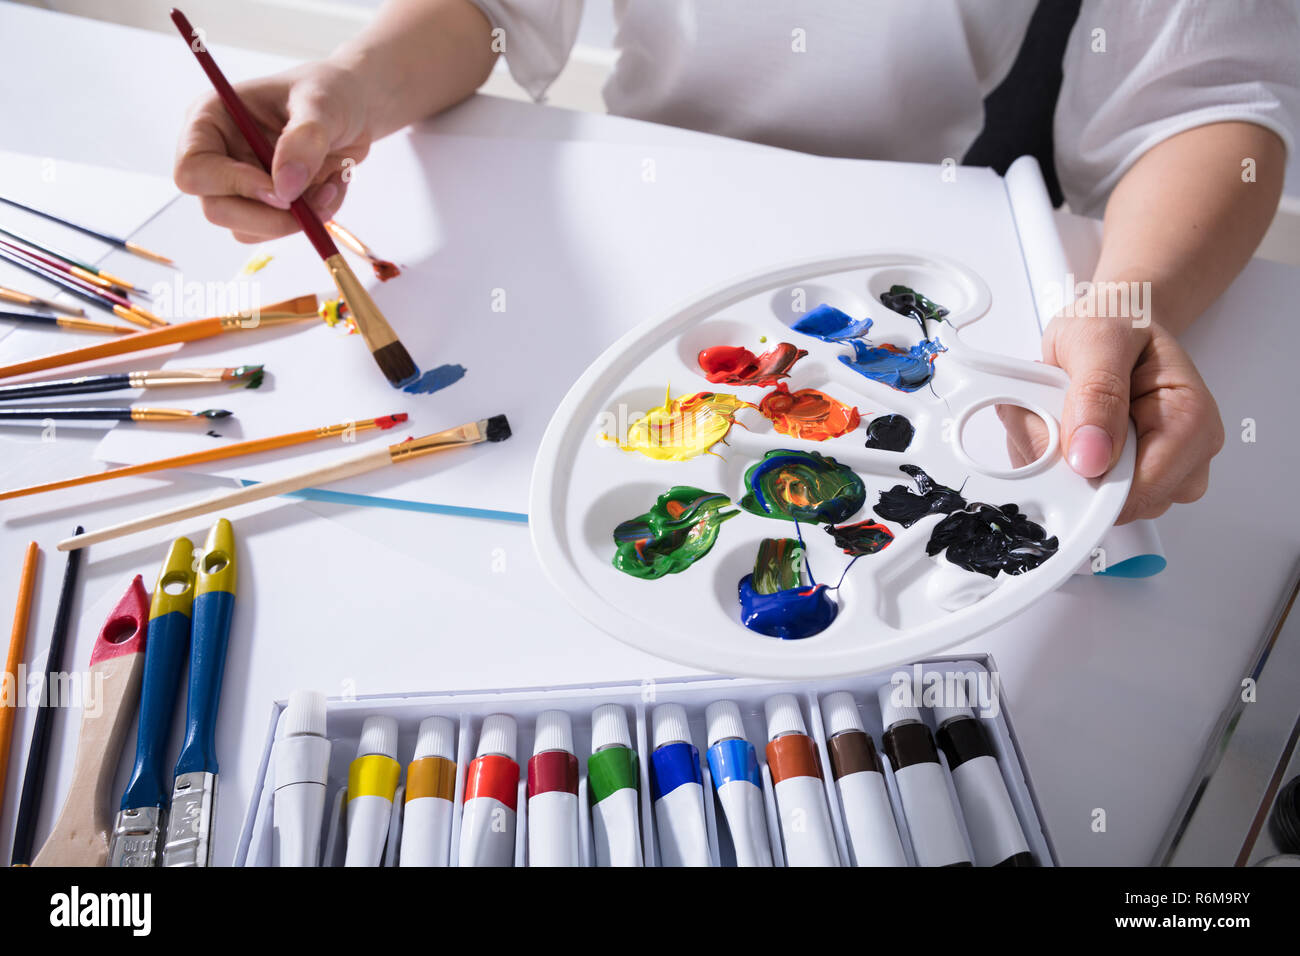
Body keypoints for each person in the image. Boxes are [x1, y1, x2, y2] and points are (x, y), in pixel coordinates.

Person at [173, 0, 1298, 524]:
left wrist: (1128, 299)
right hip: (647, 212)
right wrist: (356, 88)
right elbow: (496, 12)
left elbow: (1198, 100)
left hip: (926, 240)